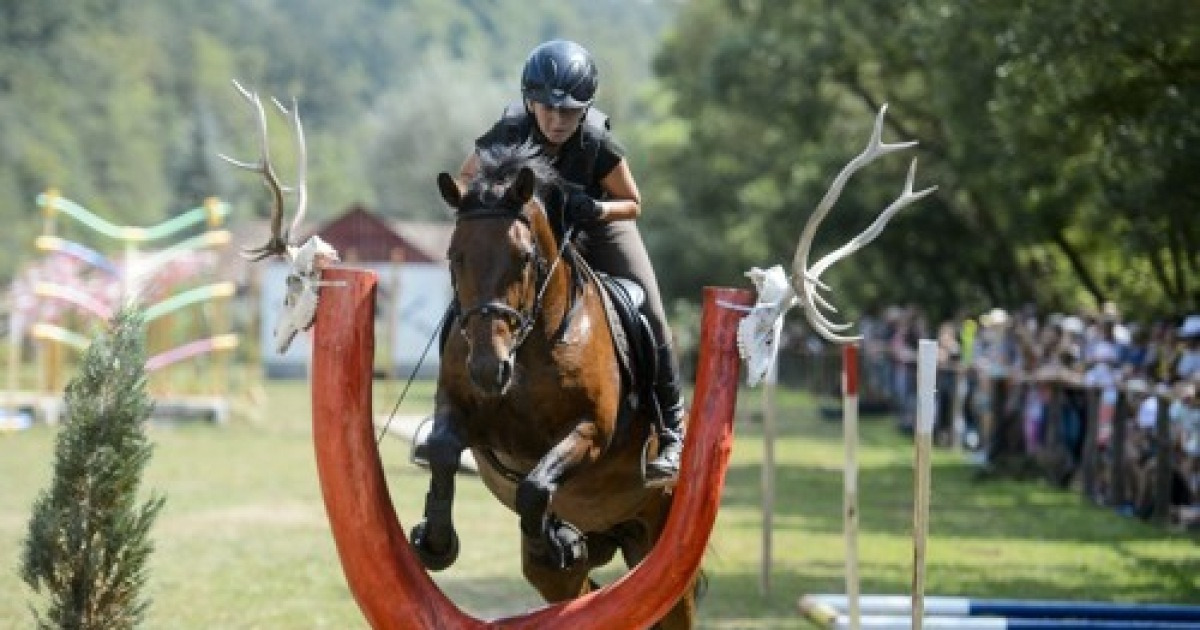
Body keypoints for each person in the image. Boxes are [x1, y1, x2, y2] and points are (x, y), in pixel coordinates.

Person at [455, 39, 684, 486]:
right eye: (549, 109)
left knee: (650, 309)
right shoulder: (509, 131)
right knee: (478, 292)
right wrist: (486, 204)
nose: (559, 120)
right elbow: (466, 177)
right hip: (532, 235)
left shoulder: (596, 140)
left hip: (598, 226)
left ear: (586, 110)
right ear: (530, 102)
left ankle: (673, 429)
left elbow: (632, 203)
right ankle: (451, 406)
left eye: (571, 111)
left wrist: (597, 209)